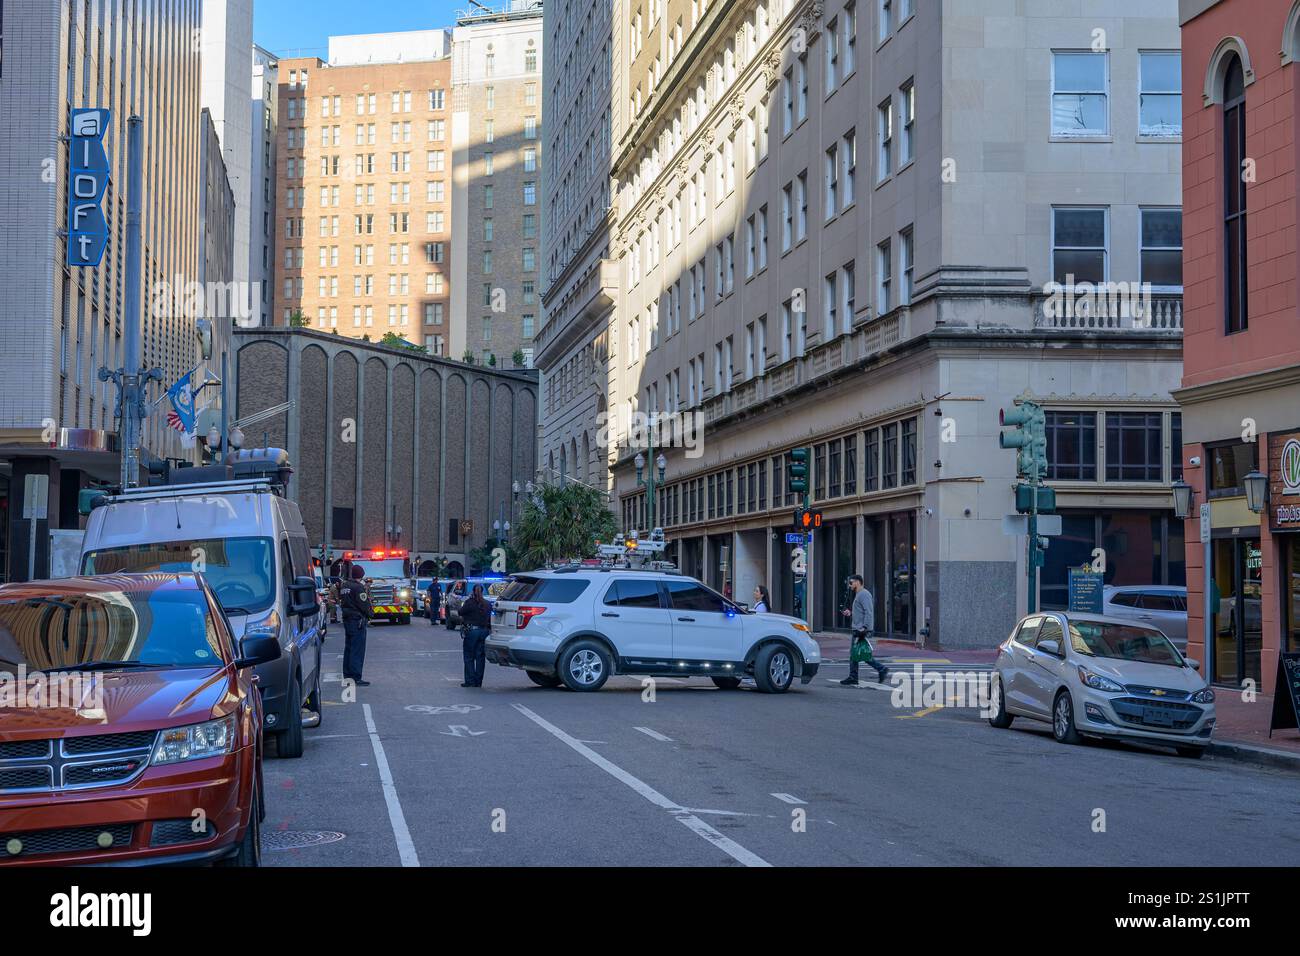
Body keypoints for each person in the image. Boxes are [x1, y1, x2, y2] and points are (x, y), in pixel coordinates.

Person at [841, 573, 888, 685]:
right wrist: (851, 613)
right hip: (859, 628)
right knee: (857, 653)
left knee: (858, 653)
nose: (850, 585)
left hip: (861, 629)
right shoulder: (859, 594)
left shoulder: (864, 594)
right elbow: (861, 612)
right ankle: (855, 676)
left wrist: (865, 627)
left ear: (858, 582)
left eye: (851, 583)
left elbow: (869, 611)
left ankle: (880, 669)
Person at [340, 565, 372, 687]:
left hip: (347, 619)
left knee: (348, 648)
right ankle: (355, 676)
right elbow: (363, 603)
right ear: (361, 574)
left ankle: (347, 675)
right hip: (357, 620)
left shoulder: (345, 586)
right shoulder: (358, 587)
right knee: (357, 649)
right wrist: (370, 613)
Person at [459, 583, 492, 687]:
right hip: (484, 631)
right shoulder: (487, 604)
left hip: (472, 631)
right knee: (480, 657)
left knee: (469, 657)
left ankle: (470, 681)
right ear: (482, 592)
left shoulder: (470, 602)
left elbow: (460, 612)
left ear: (473, 591)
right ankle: (478, 681)